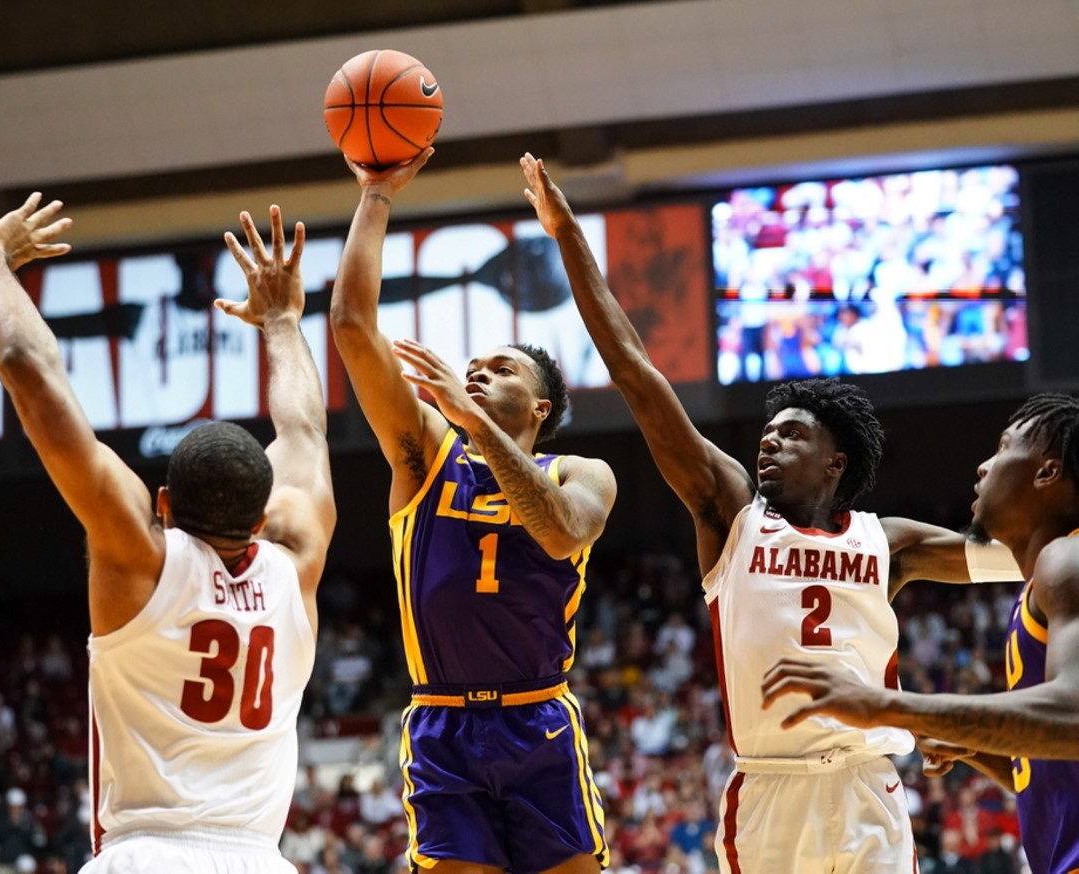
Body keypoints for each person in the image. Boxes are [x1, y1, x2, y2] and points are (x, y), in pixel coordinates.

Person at [519, 153, 1020, 873]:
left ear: (836, 461)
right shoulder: (731, 514)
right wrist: (569, 237)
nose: (769, 441)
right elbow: (634, 370)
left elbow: (1015, 551)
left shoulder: (891, 543)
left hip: (862, 785)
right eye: (767, 431)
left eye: (792, 433)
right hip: (768, 790)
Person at [0, 194, 335, 873]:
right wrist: (283, 322)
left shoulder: (137, 560)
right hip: (261, 859)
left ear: (163, 504)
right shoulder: (300, 563)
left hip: (145, 856)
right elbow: (303, 430)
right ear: (262, 519)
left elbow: (27, 365)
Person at [328, 149, 617, 873]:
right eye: (473, 367)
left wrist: (474, 422)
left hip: (540, 718)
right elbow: (351, 327)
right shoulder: (426, 456)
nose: (479, 371)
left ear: (541, 406)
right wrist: (375, 196)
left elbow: (558, 532)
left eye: (503, 368)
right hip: (444, 725)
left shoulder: (580, 471)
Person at [762, 393, 1079, 874]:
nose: (983, 467)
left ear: (1045, 473)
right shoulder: (1046, 579)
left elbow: (1073, 717)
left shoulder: (1068, 561)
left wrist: (885, 705)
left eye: (1003, 448)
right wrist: (975, 745)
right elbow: (1052, 775)